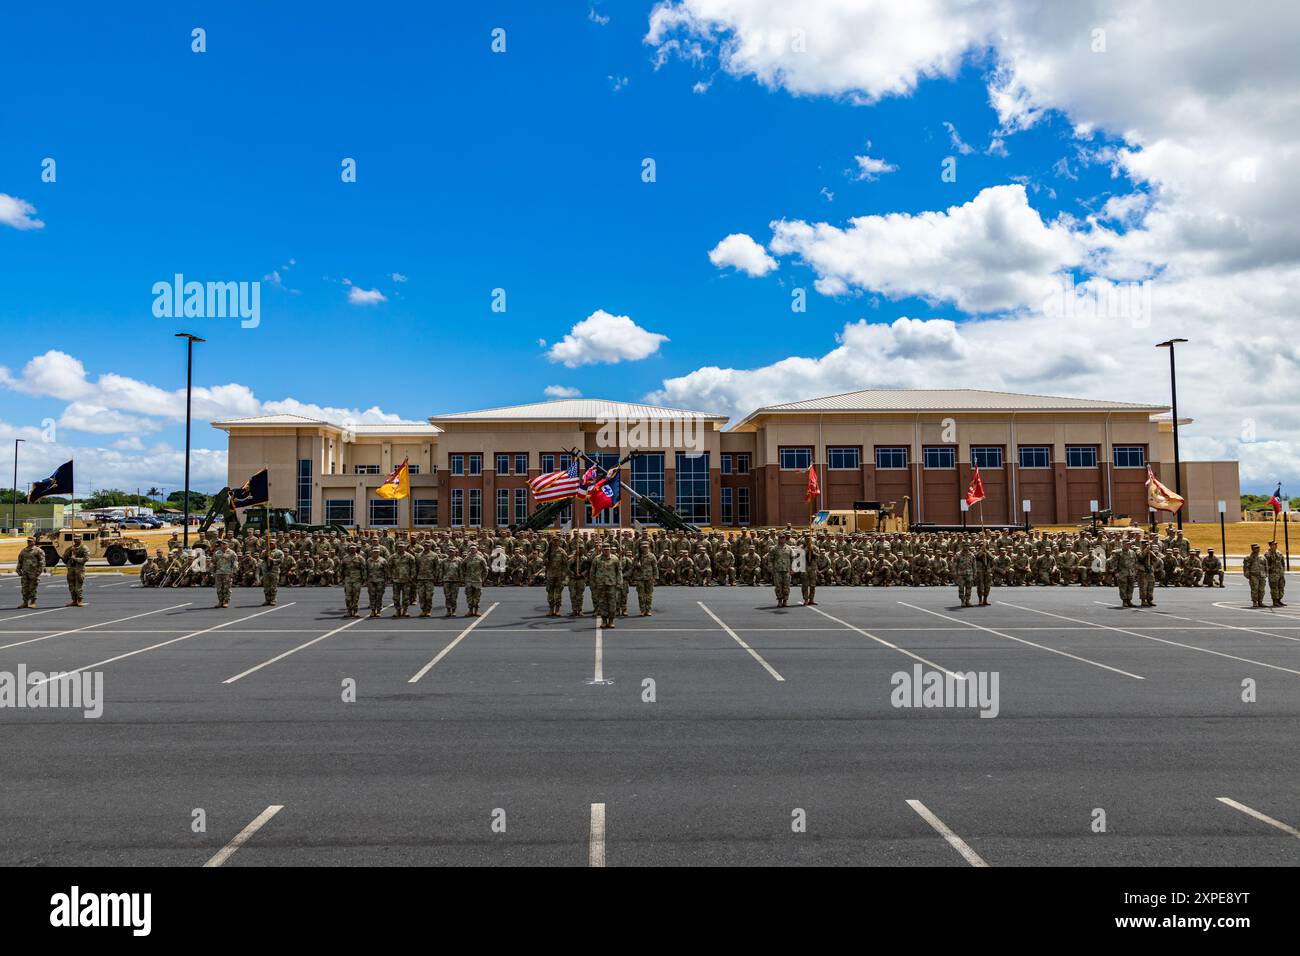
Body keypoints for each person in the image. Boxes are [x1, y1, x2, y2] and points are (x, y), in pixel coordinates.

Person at [590, 543, 623, 628]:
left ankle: (611, 621)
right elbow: (592, 572)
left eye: (608, 549)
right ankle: (604, 621)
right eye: (605, 549)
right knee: (602, 603)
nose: (606, 551)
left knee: (612, 604)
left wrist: (619, 583)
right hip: (600, 584)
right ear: (602, 550)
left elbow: (619, 572)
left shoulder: (615, 559)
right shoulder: (597, 559)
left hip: (611, 584)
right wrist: (593, 583)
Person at [61, 535, 90, 607]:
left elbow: (86, 559)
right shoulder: (71, 548)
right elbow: (64, 558)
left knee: (78, 586)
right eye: (74, 539)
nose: (75, 541)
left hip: (79, 569)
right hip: (71, 569)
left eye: (77, 539)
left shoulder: (84, 548)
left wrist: (75, 559)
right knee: (71, 586)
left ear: (80, 539)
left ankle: (79, 600)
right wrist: (68, 557)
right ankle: (74, 600)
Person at [389, 541, 416, 618]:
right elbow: (389, 568)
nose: (400, 548)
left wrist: (412, 577)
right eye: (399, 546)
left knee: (406, 597)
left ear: (404, 547)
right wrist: (390, 577)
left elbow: (413, 568)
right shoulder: (392, 557)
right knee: (396, 597)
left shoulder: (410, 557)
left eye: (402, 546)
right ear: (397, 547)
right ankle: (398, 611)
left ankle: (405, 611)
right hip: (396, 580)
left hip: (406, 580)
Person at [16, 537, 45, 608]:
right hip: (25, 572)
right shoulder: (23, 551)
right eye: (28, 541)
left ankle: (33, 602)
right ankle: (25, 602)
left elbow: (42, 562)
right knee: (24, 588)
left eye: (30, 541)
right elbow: (20, 561)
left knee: (33, 587)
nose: (29, 542)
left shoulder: (38, 550)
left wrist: (39, 572)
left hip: (34, 572)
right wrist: (18, 569)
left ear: (34, 542)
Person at [631, 540, 658, 616]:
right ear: (641, 548)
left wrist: (655, 577)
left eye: (646, 547)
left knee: (649, 595)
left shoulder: (652, 556)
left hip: (649, 578)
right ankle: (642, 610)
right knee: (641, 595)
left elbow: (655, 567)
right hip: (640, 578)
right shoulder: (637, 556)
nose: (645, 548)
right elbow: (633, 566)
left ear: (648, 547)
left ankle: (648, 610)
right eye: (643, 547)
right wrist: (636, 564)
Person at [767, 534, 795, 608]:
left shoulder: (789, 548)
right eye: (780, 538)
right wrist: (771, 568)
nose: (782, 539)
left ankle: (785, 601)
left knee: (786, 586)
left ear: (785, 539)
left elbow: (793, 559)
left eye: (783, 538)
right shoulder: (774, 549)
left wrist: (793, 569)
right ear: (778, 539)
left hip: (787, 570)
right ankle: (779, 600)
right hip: (777, 570)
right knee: (778, 586)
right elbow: (770, 560)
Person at [340, 544, 367, 618]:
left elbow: (364, 569)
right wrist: (341, 579)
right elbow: (341, 569)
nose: (352, 549)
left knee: (356, 596)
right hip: (348, 579)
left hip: (357, 579)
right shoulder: (345, 558)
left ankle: (355, 611)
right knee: (348, 596)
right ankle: (349, 611)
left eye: (353, 548)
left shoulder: (360, 558)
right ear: (348, 549)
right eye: (351, 548)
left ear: (356, 549)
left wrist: (364, 579)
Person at [414, 542, 440, 618]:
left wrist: (436, 577)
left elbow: (437, 567)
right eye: (425, 545)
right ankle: (423, 610)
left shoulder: (434, 555)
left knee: (429, 596)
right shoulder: (418, 555)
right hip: (420, 578)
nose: (426, 547)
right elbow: (416, 567)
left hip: (430, 578)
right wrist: (415, 577)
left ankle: (428, 610)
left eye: (428, 545)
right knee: (421, 596)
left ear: (430, 546)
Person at [543, 539, 568, 617]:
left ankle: (557, 610)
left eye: (557, 541)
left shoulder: (562, 552)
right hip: (550, 574)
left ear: (559, 542)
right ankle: (551, 609)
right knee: (550, 593)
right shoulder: (548, 551)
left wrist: (564, 574)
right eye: (554, 541)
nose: (556, 542)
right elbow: (543, 561)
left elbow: (565, 564)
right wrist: (546, 560)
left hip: (559, 575)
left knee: (558, 593)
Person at [463, 544, 488, 617]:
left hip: (477, 580)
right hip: (469, 580)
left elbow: (485, 570)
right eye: (471, 549)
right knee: (469, 596)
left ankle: (476, 611)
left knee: (477, 596)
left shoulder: (481, 559)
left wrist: (483, 578)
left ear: (476, 550)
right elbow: (462, 567)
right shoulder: (466, 559)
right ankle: (470, 611)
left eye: (474, 549)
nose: (472, 550)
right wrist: (464, 576)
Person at [211, 539, 237, 608]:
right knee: (219, 588)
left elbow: (235, 563)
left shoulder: (232, 553)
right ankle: (220, 601)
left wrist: (233, 572)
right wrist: (213, 572)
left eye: (225, 544)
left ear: (228, 545)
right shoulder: (217, 553)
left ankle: (226, 602)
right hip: (219, 572)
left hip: (227, 573)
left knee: (227, 588)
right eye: (222, 544)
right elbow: (213, 562)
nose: (223, 545)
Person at [365, 546, 388, 617]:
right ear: (372, 552)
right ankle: (372, 610)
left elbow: (386, 571)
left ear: (379, 552)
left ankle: (378, 611)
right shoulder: (368, 560)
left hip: (380, 581)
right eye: (374, 552)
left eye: (377, 552)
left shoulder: (383, 560)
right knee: (372, 596)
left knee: (379, 596)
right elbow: (366, 570)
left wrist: (386, 580)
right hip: (371, 581)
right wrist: (365, 580)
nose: (375, 553)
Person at [1114, 539, 1138, 608]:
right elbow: (1113, 562)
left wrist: (1135, 571)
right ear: (1123, 545)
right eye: (1126, 544)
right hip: (1122, 572)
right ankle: (1124, 601)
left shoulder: (1132, 552)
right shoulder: (1118, 552)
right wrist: (1116, 572)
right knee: (1123, 587)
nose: (1128, 546)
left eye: (1129, 544)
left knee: (1131, 587)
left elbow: (1135, 562)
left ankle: (1129, 600)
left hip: (1131, 572)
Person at [1243, 543, 1267, 608]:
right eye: (1256, 548)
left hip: (1262, 575)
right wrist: (1248, 575)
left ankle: (1260, 602)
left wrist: (1266, 574)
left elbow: (1265, 566)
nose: (1257, 549)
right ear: (1252, 549)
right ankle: (1254, 602)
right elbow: (1246, 567)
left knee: (1262, 590)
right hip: (1253, 576)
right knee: (1254, 589)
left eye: (1258, 547)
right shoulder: (1248, 557)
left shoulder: (1262, 557)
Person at [441, 547, 463, 617]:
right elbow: (441, 570)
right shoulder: (444, 561)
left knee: (454, 597)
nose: (451, 553)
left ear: (455, 552)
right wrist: (440, 579)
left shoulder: (458, 561)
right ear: (447, 552)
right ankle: (448, 610)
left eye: (452, 551)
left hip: (455, 581)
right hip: (446, 580)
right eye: (449, 551)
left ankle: (453, 611)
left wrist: (461, 580)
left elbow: (460, 571)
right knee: (447, 596)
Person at [262, 541, 284, 606]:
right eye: (270, 544)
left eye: (272, 544)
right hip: (266, 571)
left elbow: (281, 560)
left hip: (274, 571)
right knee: (266, 587)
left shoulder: (279, 552)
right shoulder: (265, 551)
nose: (271, 545)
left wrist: (273, 560)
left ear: (275, 544)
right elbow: (262, 557)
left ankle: (273, 600)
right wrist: (266, 551)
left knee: (273, 587)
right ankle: (267, 600)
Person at [1265, 541, 1287, 607]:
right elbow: (1266, 562)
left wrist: (1283, 570)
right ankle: (1275, 601)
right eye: (1274, 544)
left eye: (1276, 544)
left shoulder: (1279, 553)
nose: (1276, 545)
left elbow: (1282, 562)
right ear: (1270, 545)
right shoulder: (1267, 553)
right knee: (1274, 588)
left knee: (1281, 587)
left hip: (1280, 573)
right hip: (1273, 574)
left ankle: (1279, 600)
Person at [1136, 541, 1158, 607]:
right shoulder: (1138, 551)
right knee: (1143, 587)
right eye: (1145, 545)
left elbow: (1155, 559)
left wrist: (1150, 552)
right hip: (1142, 571)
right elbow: (1141, 557)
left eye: (1147, 545)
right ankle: (1143, 600)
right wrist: (1146, 550)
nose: (1146, 546)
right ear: (1142, 545)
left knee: (1150, 586)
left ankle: (1149, 599)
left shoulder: (1149, 552)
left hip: (1149, 571)